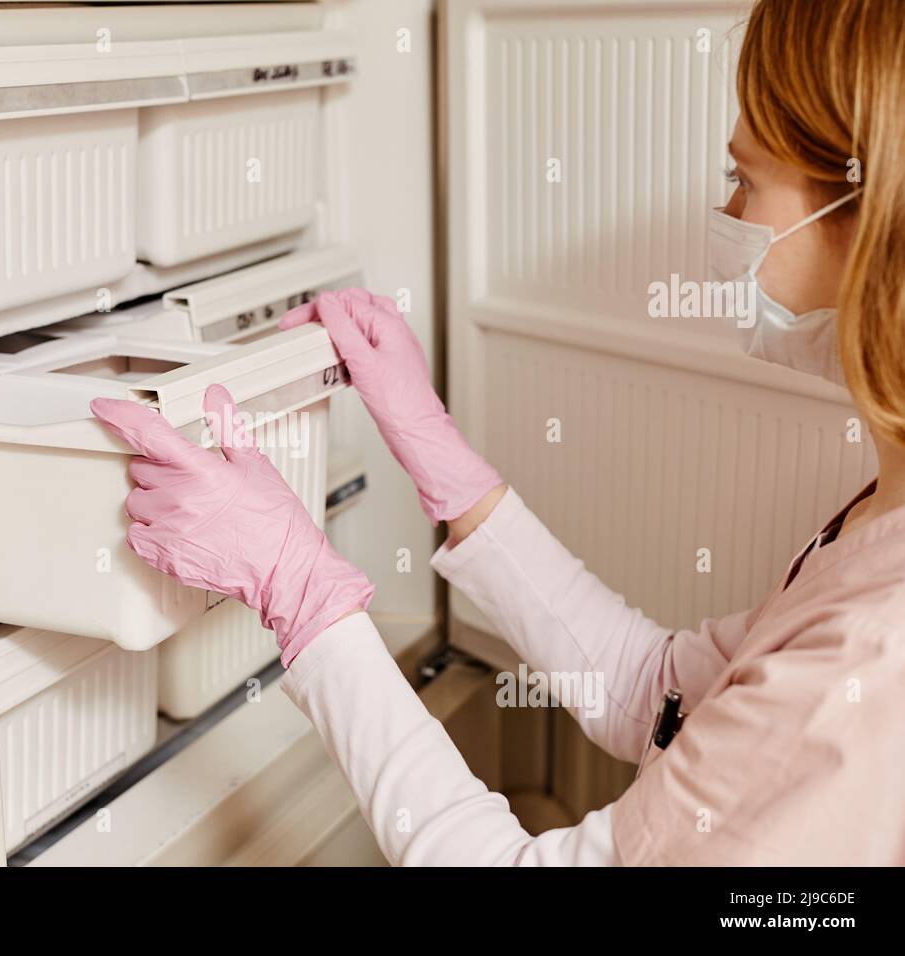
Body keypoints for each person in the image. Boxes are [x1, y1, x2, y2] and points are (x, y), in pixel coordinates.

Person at [90, 0, 905, 865]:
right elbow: (655, 695)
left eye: (743, 180)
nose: (725, 209)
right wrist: (447, 463)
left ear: (867, 210)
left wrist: (303, 595)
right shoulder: (880, 520)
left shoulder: (872, 658)